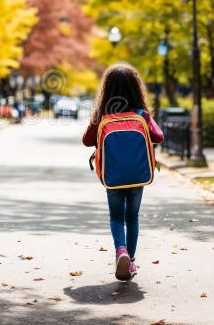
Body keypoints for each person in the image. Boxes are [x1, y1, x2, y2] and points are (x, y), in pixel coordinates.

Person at [82, 64, 164, 280]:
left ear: (107, 89)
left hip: (113, 176)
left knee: (116, 217)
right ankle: (132, 261)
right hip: (138, 174)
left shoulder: (103, 116)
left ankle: (121, 251)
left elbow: (86, 140)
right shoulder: (141, 115)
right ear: (136, 88)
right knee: (132, 217)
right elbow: (159, 136)